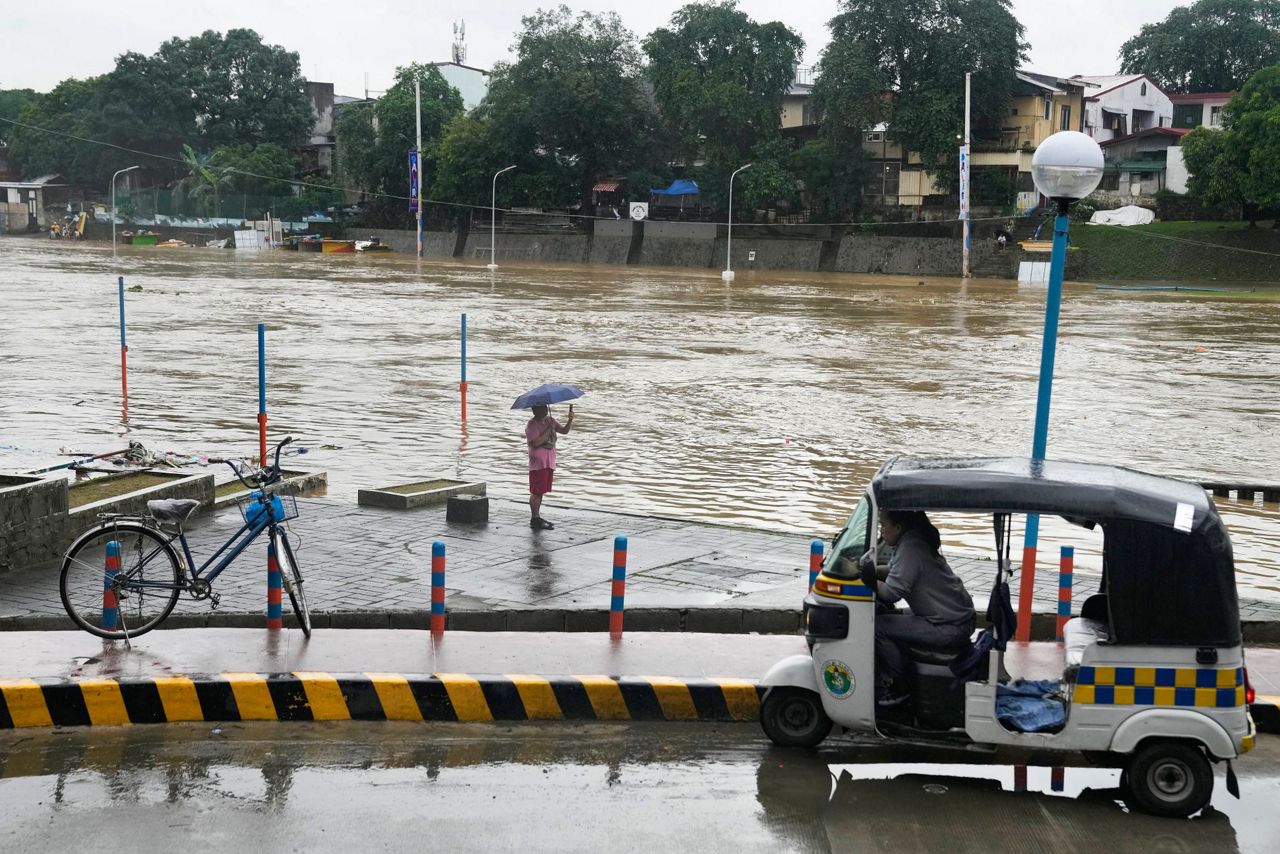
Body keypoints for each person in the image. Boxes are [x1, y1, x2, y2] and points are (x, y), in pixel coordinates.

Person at [874, 510, 974, 706]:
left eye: (884, 525)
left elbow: (890, 593)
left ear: (898, 527)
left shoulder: (911, 548)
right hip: (950, 618)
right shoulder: (912, 542)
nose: (881, 530)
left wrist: (866, 578)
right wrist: (866, 570)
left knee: (878, 627)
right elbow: (895, 571)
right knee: (889, 615)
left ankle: (899, 686)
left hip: (949, 626)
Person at [525, 403, 574, 530]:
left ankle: (537, 517)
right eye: (542, 407)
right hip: (538, 463)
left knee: (541, 490)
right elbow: (535, 442)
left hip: (549, 461)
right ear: (535, 410)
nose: (546, 409)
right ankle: (534, 518)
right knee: (536, 491)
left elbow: (564, 431)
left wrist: (570, 420)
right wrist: (548, 429)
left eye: (546, 407)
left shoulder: (550, 420)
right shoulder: (532, 425)